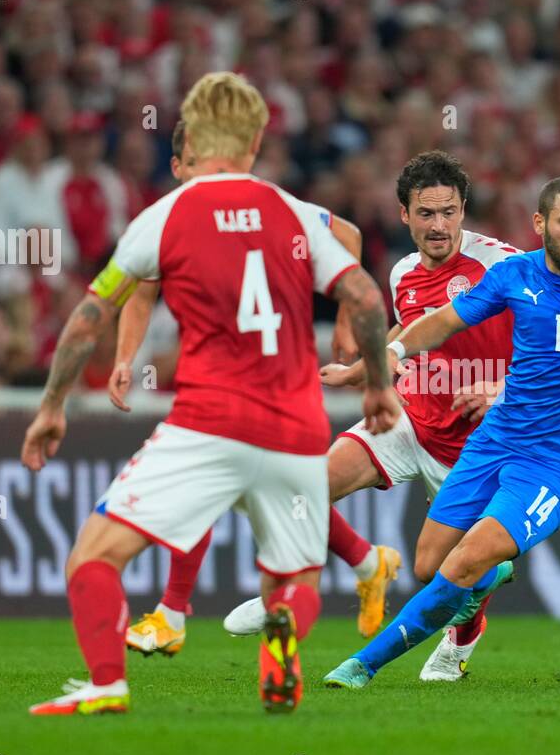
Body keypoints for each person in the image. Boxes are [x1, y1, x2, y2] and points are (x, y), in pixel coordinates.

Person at [22, 72, 401, 715]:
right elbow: (364, 295)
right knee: (293, 581)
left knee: (93, 557)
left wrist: (52, 404)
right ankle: (280, 647)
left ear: (192, 141)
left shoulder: (164, 216)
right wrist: (378, 385)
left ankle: (109, 682)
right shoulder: (296, 213)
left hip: (205, 423)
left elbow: (90, 315)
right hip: (293, 425)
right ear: (256, 142)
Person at [323, 176, 560, 688]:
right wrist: (392, 353)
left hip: (557, 466)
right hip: (494, 442)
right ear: (540, 224)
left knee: (462, 565)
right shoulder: (514, 275)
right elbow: (444, 322)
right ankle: (495, 571)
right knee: (428, 564)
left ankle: (362, 665)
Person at [218, 149, 521, 681]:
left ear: (464, 210)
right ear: (404, 214)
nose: (438, 225)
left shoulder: (502, 265)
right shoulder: (403, 272)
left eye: (448, 212)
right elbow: (413, 333)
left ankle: (460, 641)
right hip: (410, 422)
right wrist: (363, 368)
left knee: (460, 574)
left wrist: (500, 385)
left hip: (480, 449)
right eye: (425, 213)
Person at [109, 120, 394, 659]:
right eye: (200, 159)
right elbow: (140, 293)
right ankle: (366, 562)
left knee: (205, 481)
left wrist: (348, 322)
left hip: (276, 379)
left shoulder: (273, 207)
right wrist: (127, 357)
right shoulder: (173, 221)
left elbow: (349, 237)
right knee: (273, 491)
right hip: (230, 383)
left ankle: (173, 615)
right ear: (178, 168)